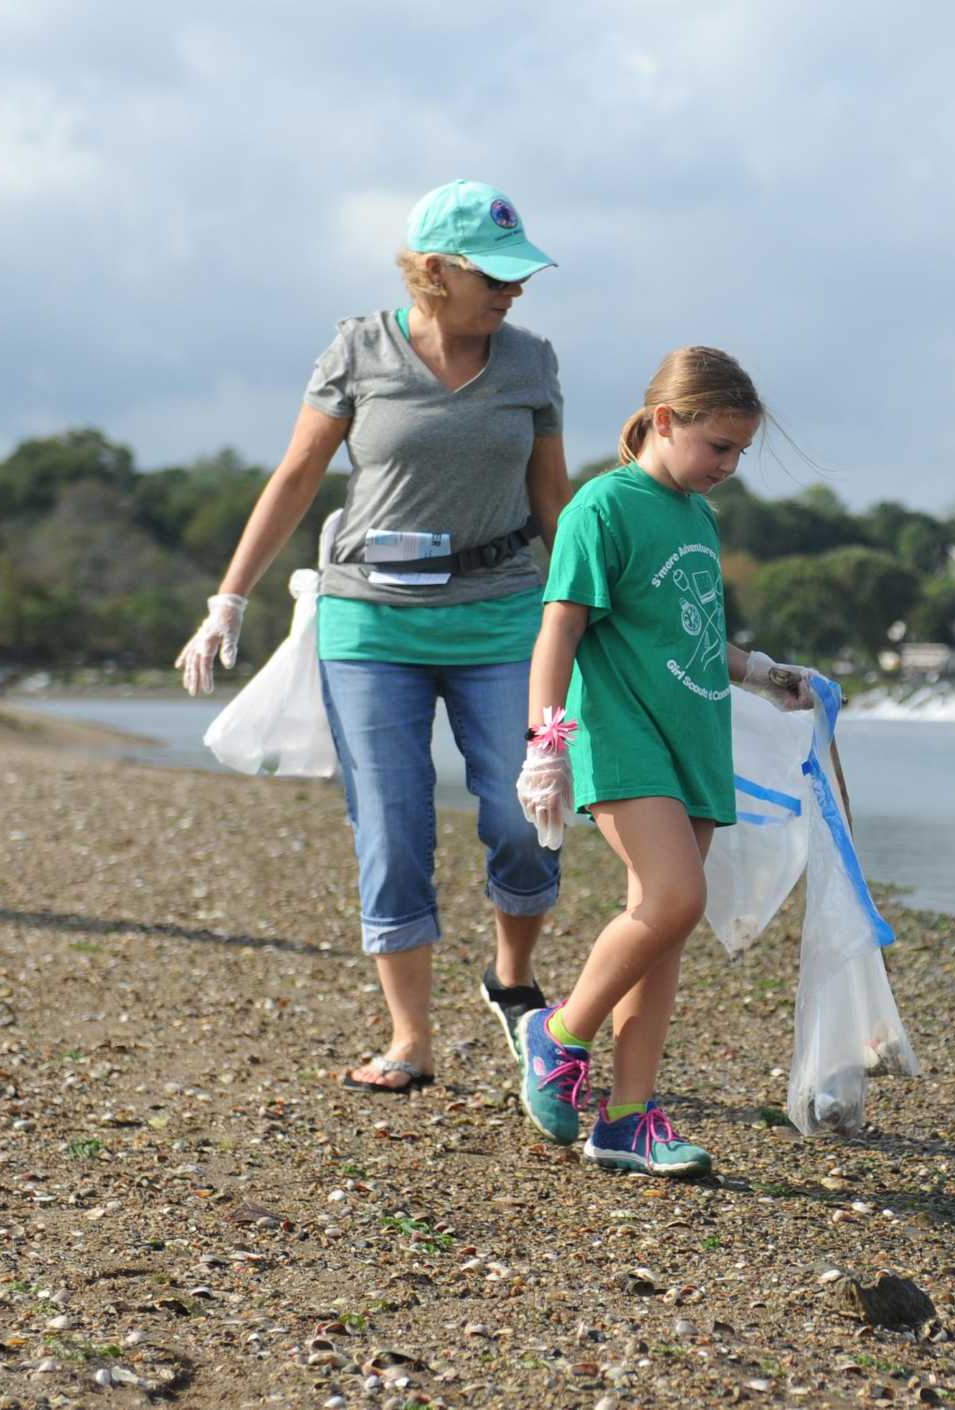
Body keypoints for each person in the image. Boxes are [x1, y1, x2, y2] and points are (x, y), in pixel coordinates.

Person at [173, 180, 571, 1092]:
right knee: (392, 828)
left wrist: (587, 611)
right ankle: (410, 1038)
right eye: (495, 275)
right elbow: (297, 474)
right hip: (370, 620)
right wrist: (229, 598)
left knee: (521, 813)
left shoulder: (531, 363)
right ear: (433, 271)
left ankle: (511, 981)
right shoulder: (359, 349)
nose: (515, 290)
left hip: (504, 609)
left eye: (521, 274)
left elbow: (553, 496)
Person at [513, 346, 822, 1177]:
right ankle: (559, 1033)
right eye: (717, 446)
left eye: (738, 452)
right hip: (622, 734)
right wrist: (545, 746)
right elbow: (559, 631)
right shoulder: (602, 509)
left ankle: (626, 1119)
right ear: (664, 422)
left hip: (695, 739)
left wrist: (763, 675)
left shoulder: (696, 516)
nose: (727, 467)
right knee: (676, 897)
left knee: (664, 925)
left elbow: (691, 634)